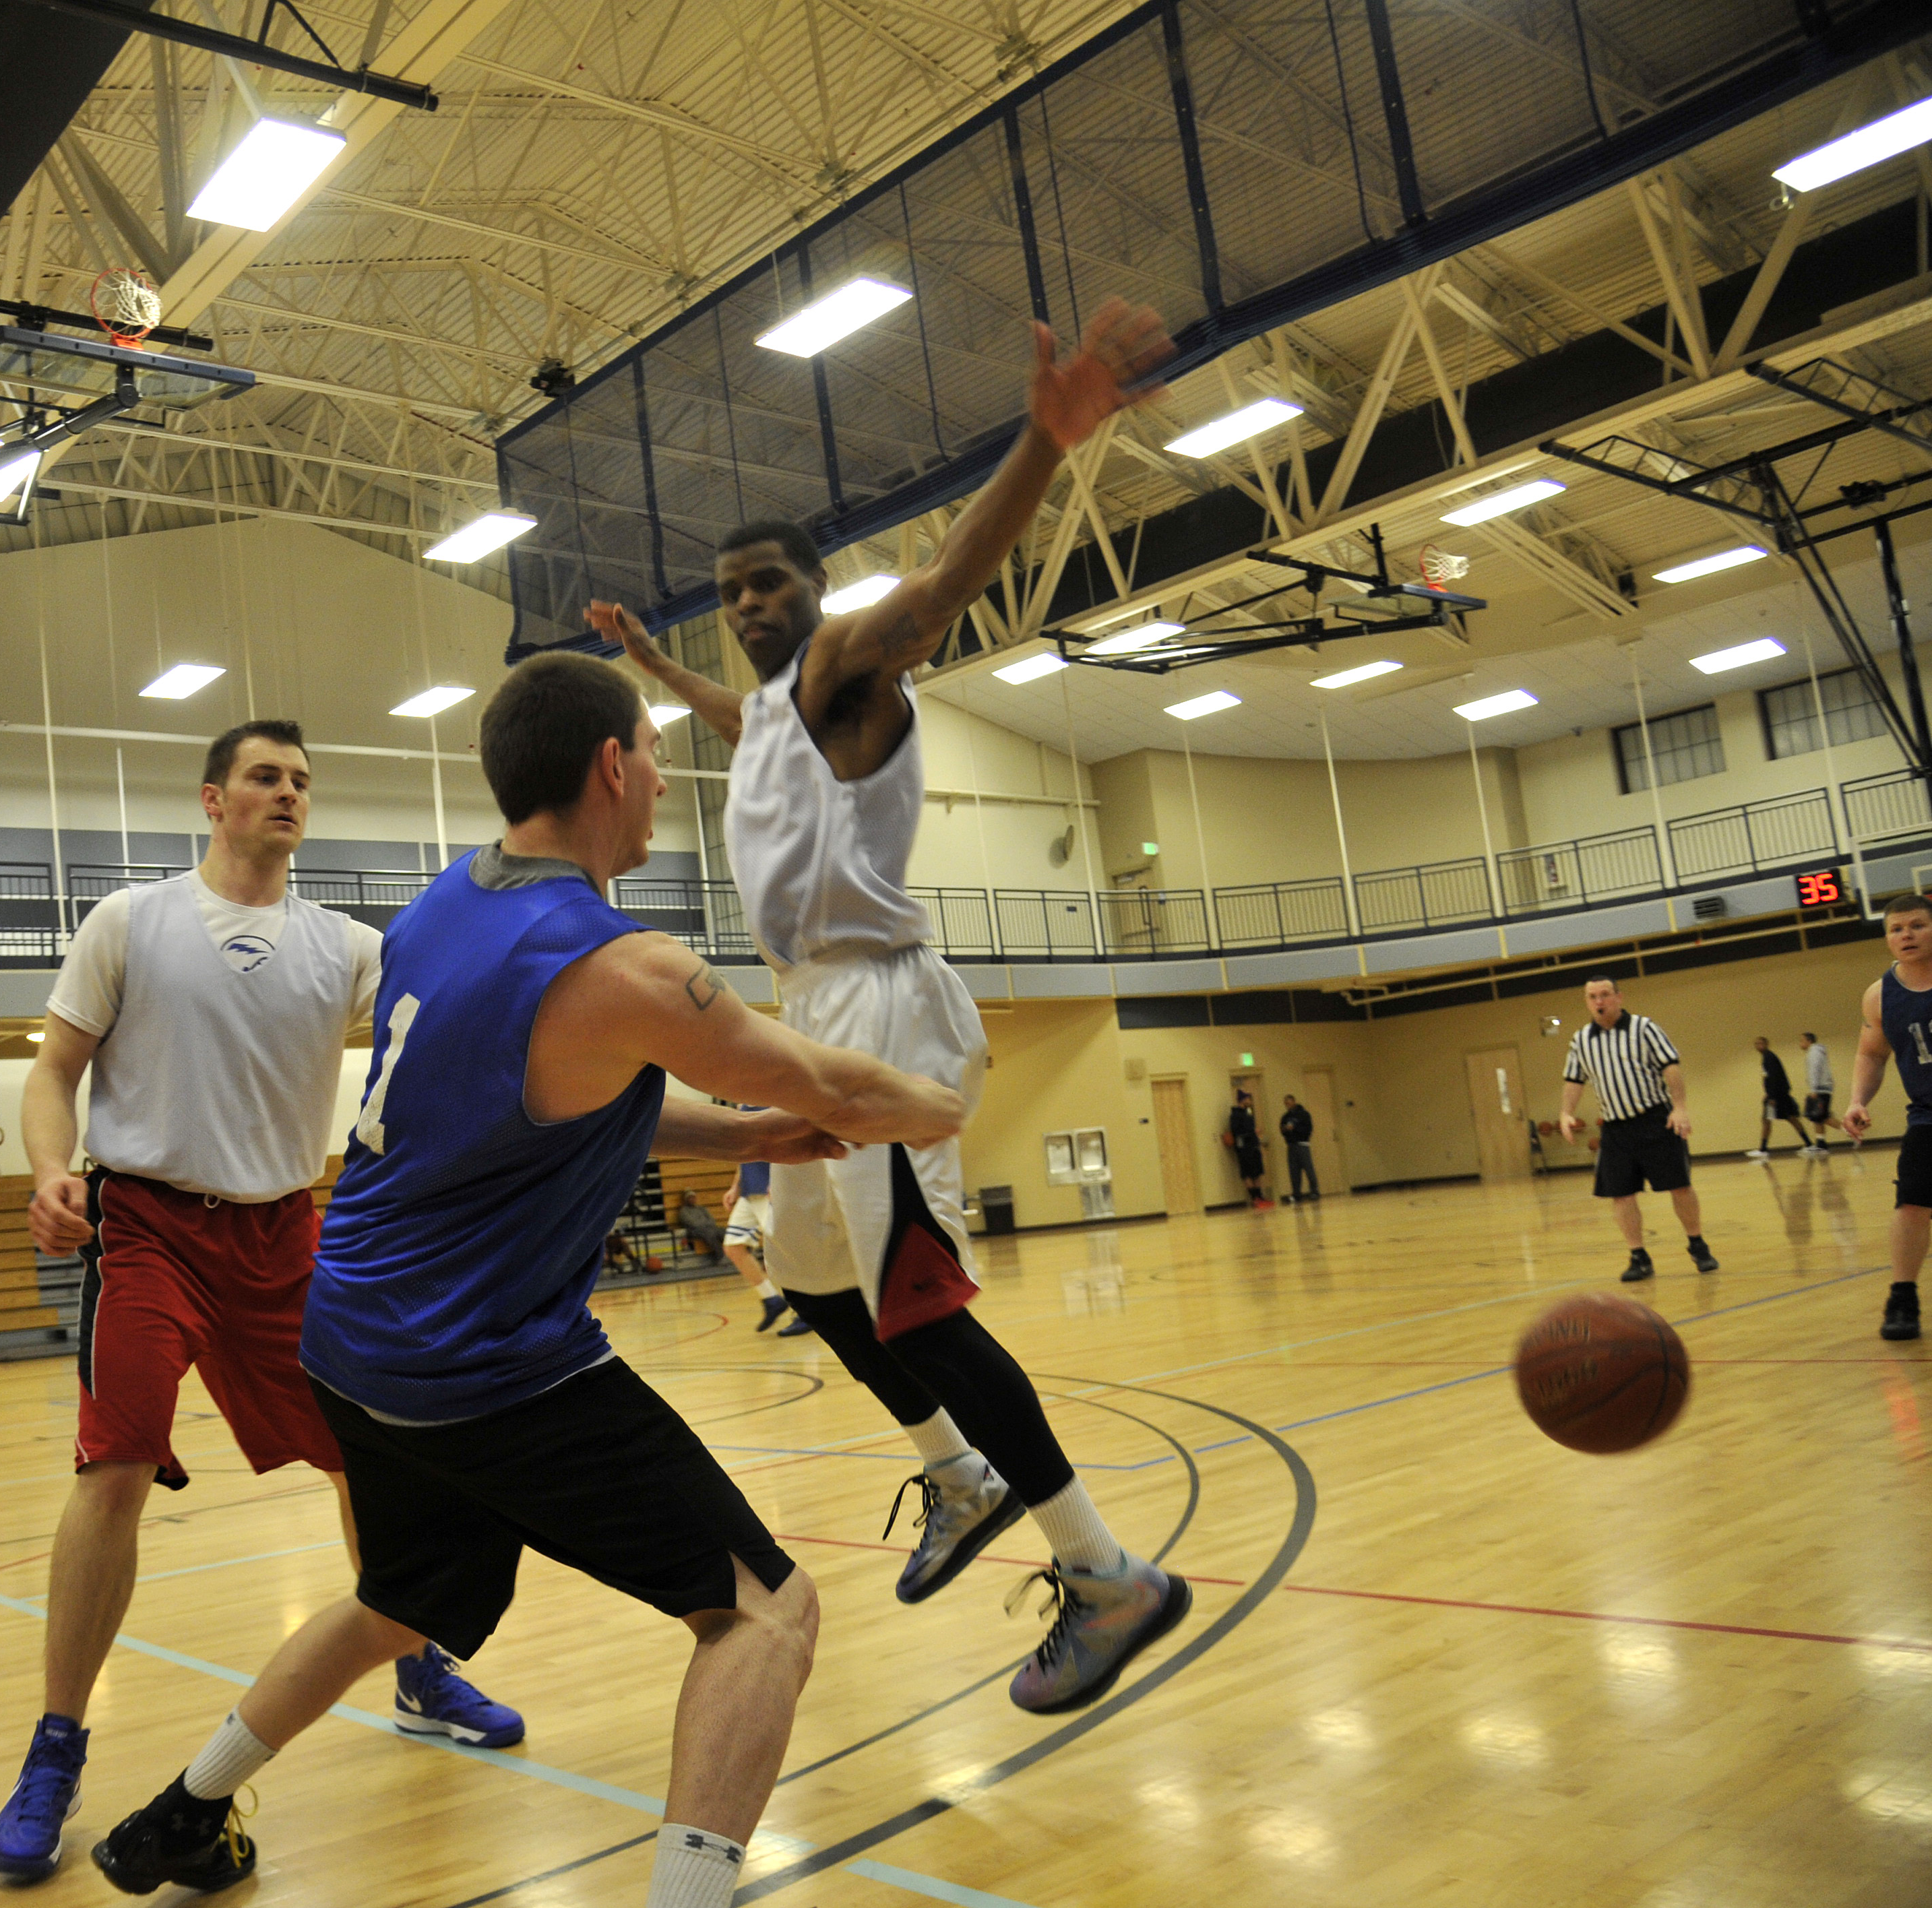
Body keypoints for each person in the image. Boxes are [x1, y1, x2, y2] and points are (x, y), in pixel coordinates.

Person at [82, 655, 960, 1908]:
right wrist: (947, 1099)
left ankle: (187, 1809)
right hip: (483, 1365)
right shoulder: (626, 966)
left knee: (397, 1603)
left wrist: (744, 1136)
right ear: (610, 765)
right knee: (766, 1613)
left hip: (352, 1339)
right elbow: (836, 1085)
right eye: (652, 753)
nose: (664, 780)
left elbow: (548, 1096)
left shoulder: (438, 908)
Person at [591, 298, 1188, 1680]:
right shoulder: (769, 717)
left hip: (883, 1008)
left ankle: (1105, 1573)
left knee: (917, 1304)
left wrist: (1044, 444)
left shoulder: (847, 664)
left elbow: (939, 592)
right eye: (732, 590)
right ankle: (959, 1474)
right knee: (815, 1284)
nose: (752, 604)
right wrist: (651, 662)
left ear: (815, 591)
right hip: (812, 1013)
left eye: (772, 583)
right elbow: (733, 716)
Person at [0, 719, 522, 1886]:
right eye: (265, 777)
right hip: (148, 1229)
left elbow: (454, 1020)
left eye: (301, 781)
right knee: (115, 1465)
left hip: (284, 1238)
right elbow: (54, 1070)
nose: (288, 793)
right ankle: (56, 1746)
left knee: (368, 1460)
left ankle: (418, 1665)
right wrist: (49, 1168)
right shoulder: (131, 920)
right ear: (212, 798)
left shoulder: (349, 948)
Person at [1557, 977, 1718, 1283]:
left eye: (1605, 995)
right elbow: (1574, 1080)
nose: (1599, 1002)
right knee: (1621, 1195)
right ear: (1587, 1001)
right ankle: (1638, 1256)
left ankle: (1698, 1245)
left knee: (1680, 1186)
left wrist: (1680, 1107)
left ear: (1619, 997)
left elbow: (1671, 1067)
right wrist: (1566, 1113)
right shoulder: (1581, 1040)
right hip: (1615, 1128)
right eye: (1592, 997)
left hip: (1655, 1120)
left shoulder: (1644, 1028)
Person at [1839, 893, 1931, 1340]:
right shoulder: (1880, 996)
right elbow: (1872, 1055)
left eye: (1917, 926)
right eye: (1896, 929)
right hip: (1928, 1117)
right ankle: (1902, 1298)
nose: (1906, 935)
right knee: (1911, 1204)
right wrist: (1858, 1100)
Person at [720, 1158, 794, 1331]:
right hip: (749, 1191)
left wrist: (781, 1183)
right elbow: (743, 1155)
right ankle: (771, 1299)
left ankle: (805, 1312)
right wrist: (735, 1187)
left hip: (768, 1187)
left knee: (787, 1251)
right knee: (733, 1247)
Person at [1748, 1037, 1817, 1159]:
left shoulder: (1769, 1057)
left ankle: (1764, 1149)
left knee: (1775, 1119)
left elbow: (1774, 1077)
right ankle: (1809, 1144)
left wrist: (1772, 1096)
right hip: (1778, 1094)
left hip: (1777, 1096)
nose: (1758, 1046)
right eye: (1756, 1044)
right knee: (1781, 1118)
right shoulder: (1767, 1057)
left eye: (1761, 1043)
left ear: (1766, 1044)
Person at [1226, 1090, 1271, 1208]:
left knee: (1257, 1173)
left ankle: (1260, 1197)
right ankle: (1254, 1198)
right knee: (1248, 1174)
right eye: (1248, 1099)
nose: (1250, 1101)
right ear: (1243, 1100)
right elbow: (1236, 1132)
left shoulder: (1248, 1113)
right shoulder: (1235, 1115)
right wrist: (1252, 1132)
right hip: (1244, 1148)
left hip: (1253, 1146)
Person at [1799, 1030, 1839, 1154]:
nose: (1800, 1043)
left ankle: (1850, 1131)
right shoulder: (1817, 1052)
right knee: (1817, 1117)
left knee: (1823, 1117)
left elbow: (1814, 1071)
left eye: (1802, 1041)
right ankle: (1821, 1144)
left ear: (1809, 1041)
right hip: (1822, 1088)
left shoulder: (1814, 1053)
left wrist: (1813, 1089)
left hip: (1821, 1088)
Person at [1280, 1093, 1319, 1202]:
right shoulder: (1285, 1117)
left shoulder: (1304, 1114)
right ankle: (1296, 1194)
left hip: (1303, 1145)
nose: (1287, 1105)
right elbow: (1282, 1130)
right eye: (1286, 1104)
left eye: (1289, 1103)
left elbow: (1308, 1129)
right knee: (1294, 1171)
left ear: (1294, 1102)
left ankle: (1314, 1192)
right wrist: (1286, 1129)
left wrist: (1295, 1128)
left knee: (1309, 1169)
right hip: (1291, 1146)